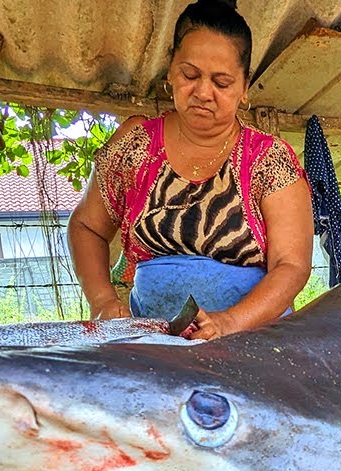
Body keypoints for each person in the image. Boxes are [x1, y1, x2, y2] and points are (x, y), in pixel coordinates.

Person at [68, 0, 313, 340]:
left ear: (244, 88)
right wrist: (102, 300)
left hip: (256, 343)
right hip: (158, 346)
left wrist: (228, 322)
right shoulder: (135, 146)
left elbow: (292, 267)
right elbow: (86, 227)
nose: (202, 92)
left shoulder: (268, 160)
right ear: (170, 71)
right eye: (190, 74)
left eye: (222, 82)